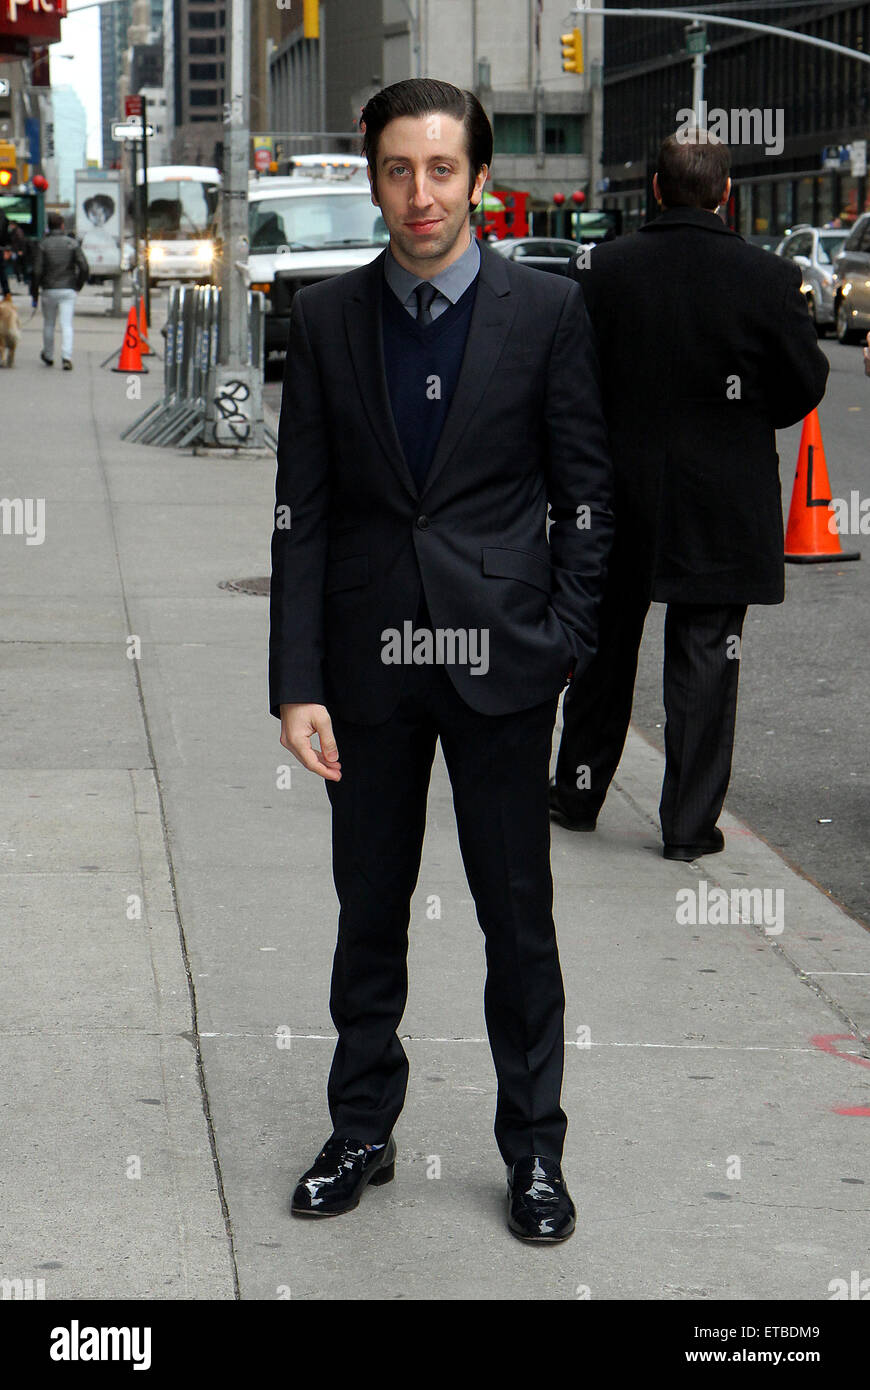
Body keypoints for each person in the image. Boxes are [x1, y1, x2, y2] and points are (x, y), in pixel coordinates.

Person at [269, 78, 614, 1242]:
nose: (422, 195)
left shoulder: (548, 311)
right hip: (366, 669)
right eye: (398, 171)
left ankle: (534, 1152)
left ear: (479, 180)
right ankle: (361, 1126)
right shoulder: (322, 321)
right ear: (372, 177)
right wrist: (297, 681)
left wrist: (566, 638)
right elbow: (302, 512)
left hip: (503, 664)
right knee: (367, 910)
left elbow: (586, 492)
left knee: (518, 920)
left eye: (442, 170)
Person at [549, 131, 829, 861]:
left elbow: (569, 384)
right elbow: (805, 384)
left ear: (655, 189)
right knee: (707, 654)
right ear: (726, 194)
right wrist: (740, 417)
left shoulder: (600, 271)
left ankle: (577, 795)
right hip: (721, 502)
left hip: (615, 493)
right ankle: (685, 827)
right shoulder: (768, 277)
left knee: (606, 646)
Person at [30, 211, 89, 371]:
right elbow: (84, 267)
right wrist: (78, 285)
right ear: (62, 226)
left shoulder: (43, 244)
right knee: (67, 324)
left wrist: (35, 293)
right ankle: (66, 357)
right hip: (68, 288)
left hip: (49, 289)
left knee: (49, 324)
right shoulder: (72, 243)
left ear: (49, 226)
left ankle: (48, 355)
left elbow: (36, 271)